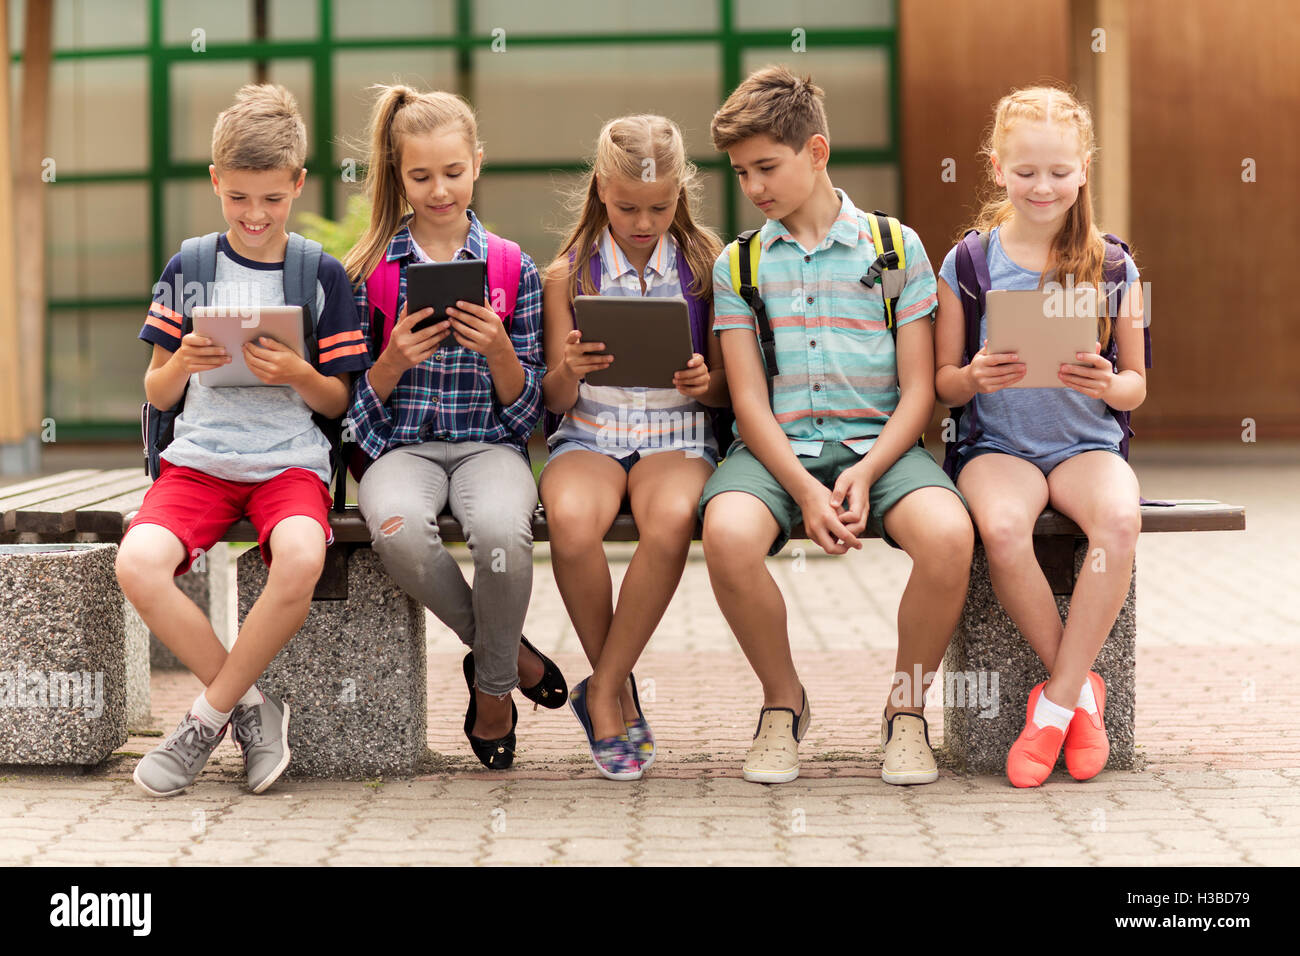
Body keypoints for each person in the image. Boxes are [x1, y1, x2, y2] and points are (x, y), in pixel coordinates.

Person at [700, 66, 974, 786]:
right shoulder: (742, 264)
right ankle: (782, 704)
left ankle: (907, 712)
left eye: (767, 166)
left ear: (816, 151)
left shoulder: (893, 251)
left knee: (950, 536)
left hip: (881, 446)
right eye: (741, 172)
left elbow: (920, 389)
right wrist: (806, 489)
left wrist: (865, 471)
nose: (753, 186)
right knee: (726, 535)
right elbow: (749, 403)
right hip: (775, 450)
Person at [118, 84, 370, 796]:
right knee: (137, 564)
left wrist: (297, 371)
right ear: (215, 185)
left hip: (288, 464)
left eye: (271, 198)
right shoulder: (189, 268)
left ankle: (204, 718)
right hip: (197, 463)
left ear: (297, 184)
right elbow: (155, 391)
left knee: (299, 558)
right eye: (238, 199)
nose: (255, 216)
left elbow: (339, 398)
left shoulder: (318, 275)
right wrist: (181, 364)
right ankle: (253, 708)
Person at [343, 85, 565, 771]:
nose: (439, 190)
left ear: (477, 163)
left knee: (503, 534)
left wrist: (499, 350)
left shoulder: (511, 268)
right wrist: (389, 364)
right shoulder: (369, 274)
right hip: (398, 450)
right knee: (398, 534)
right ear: (398, 178)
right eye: (420, 176)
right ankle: (513, 658)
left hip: (488, 448)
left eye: (452, 171)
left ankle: (491, 691)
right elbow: (345, 412)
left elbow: (529, 411)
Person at [934, 86, 1146, 789]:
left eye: (1059, 171)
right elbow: (942, 383)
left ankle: (1052, 704)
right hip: (999, 446)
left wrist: (1104, 382)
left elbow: (1136, 386)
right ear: (997, 168)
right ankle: (1081, 696)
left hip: (1087, 443)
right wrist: (975, 375)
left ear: (1084, 169)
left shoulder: (1113, 265)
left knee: (1119, 520)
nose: (1043, 186)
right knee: (1000, 528)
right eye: (1025, 172)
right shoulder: (967, 263)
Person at [539, 115, 728, 780]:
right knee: (569, 520)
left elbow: (732, 387)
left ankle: (604, 687)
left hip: (677, 435)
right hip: (591, 432)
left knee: (673, 518)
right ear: (600, 189)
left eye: (659, 206)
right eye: (626, 208)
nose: (643, 222)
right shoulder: (567, 274)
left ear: (682, 193)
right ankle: (615, 695)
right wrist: (568, 367)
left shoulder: (708, 266)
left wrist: (707, 383)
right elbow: (555, 401)